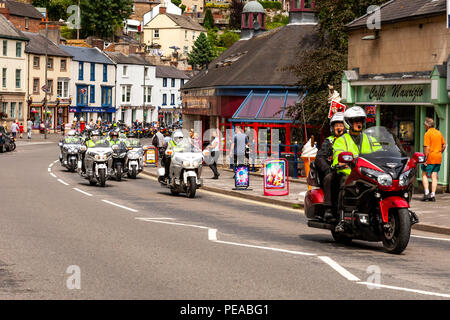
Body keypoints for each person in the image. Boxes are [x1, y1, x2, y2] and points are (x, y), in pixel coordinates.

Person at [332, 106, 377, 232]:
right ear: (349, 123)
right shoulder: (342, 141)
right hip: (349, 172)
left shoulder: (370, 139)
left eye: (360, 120)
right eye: (355, 120)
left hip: (367, 173)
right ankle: (341, 219)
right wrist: (340, 162)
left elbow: (379, 152)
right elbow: (337, 155)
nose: (359, 123)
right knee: (345, 183)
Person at [315, 112, 346, 221]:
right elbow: (320, 157)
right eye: (336, 125)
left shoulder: (350, 140)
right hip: (335, 170)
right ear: (333, 127)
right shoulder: (329, 141)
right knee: (329, 178)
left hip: (351, 169)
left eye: (341, 125)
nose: (339, 127)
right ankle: (328, 209)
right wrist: (328, 169)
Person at [421, 117, 446, 202]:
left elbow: (427, 147)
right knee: (434, 176)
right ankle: (433, 195)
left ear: (427, 125)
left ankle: (426, 193)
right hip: (438, 157)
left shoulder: (427, 133)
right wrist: (439, 152)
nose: (424, 126)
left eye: (425, 125)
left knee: (424, 174)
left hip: (430, 157)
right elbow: (444, 145)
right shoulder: (439, 133)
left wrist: (425, 159)